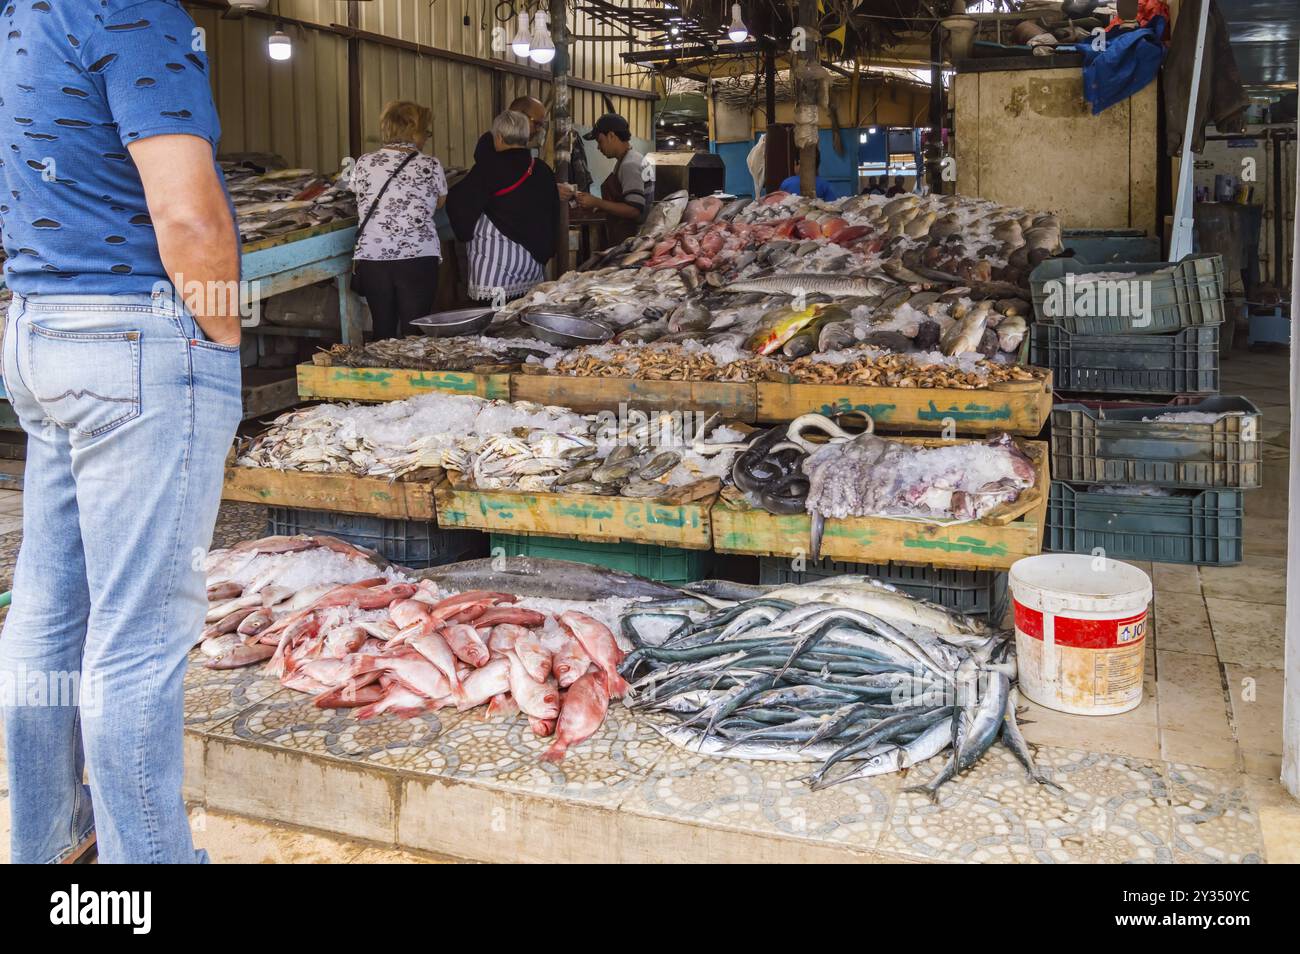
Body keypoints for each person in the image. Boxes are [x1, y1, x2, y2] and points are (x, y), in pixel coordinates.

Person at [0, 0, 242, 864]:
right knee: (140, 634)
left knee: (48, 616)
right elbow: (188, 215)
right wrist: (220, 334)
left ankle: (54, 848)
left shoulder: (22, 16)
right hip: (132, 336)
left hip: (40, 325)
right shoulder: (133, 12)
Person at [350, 101, 448, 339]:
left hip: (374, 256)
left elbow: (357, 193)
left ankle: (381, 374)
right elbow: (439, 203)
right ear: (413, 131)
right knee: (414, 330)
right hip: (417, 257)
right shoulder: (430, 165)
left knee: (382, 328)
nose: (426, 138)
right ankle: (412, 375)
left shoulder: (363, 162)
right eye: (426, 132)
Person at [448, 111, 560, 302]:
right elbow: (554, 215)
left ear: (498, 137)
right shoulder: (541, 169)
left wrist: (465, 232)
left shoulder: (486, 169)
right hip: (532, 266)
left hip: (494, 269)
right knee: (524, 319)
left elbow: (460, 204)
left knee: (496, 324)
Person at [572, 114, 654, 247]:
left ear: (611, 136)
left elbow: (634, 210)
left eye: (600, 141)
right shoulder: (629, 159)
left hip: (633, 241)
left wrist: (597, 201)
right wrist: (600, 206)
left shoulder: (630, 164)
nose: (599, 148)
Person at [474, 96, 547, 163]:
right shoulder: (489, 143)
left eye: (541, 125)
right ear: (517, 115)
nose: (538, 130)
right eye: (536, 123)